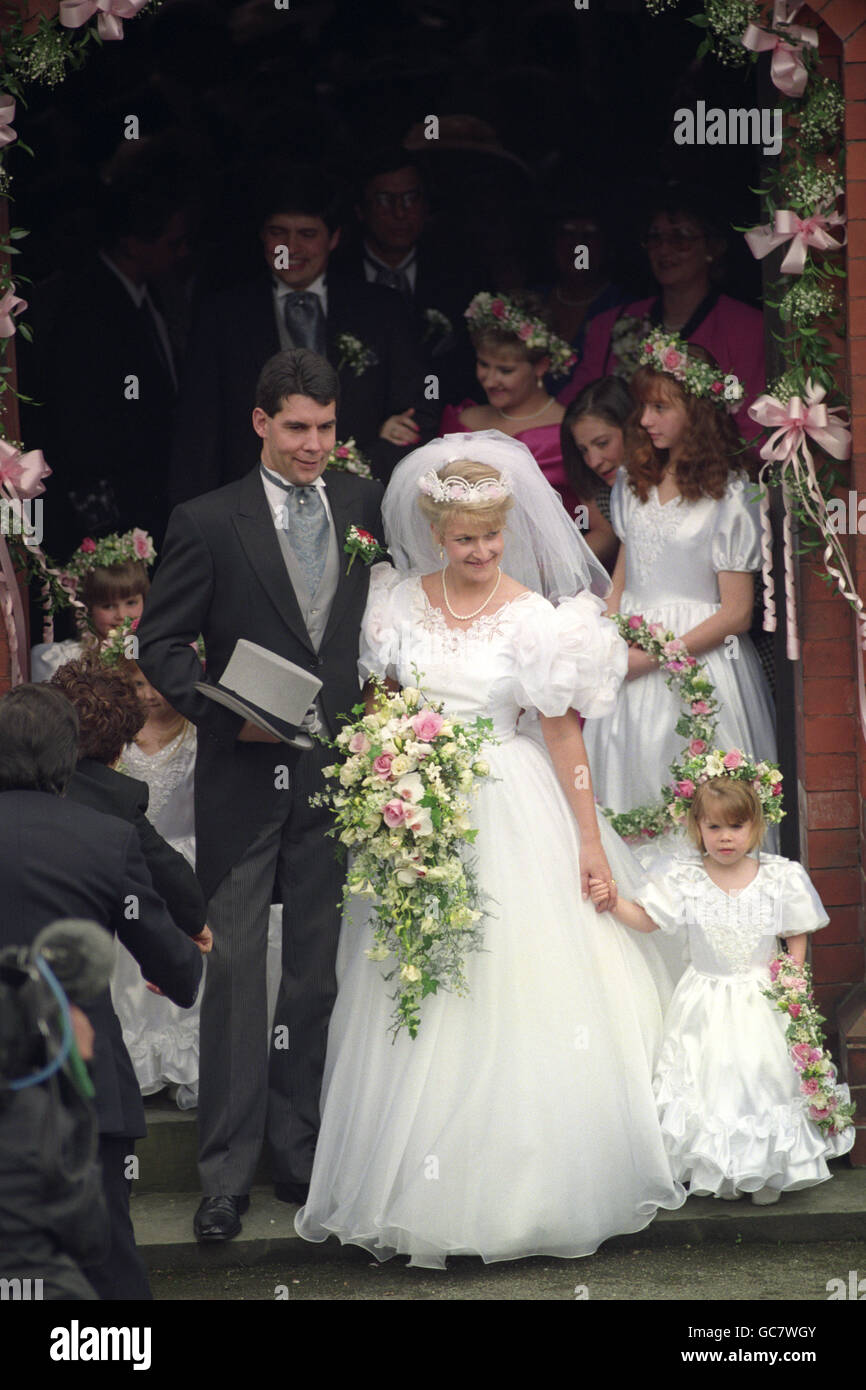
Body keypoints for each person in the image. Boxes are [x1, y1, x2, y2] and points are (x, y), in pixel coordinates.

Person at [295, 433, 686, 1268]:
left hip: (513, 803)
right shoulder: (397, 603)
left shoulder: (540, 621)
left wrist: (590, 842)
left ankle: (525, 1194)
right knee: (422, 986)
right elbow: (379, 708)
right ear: (439, 533)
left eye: (491, 537)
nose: (479, 552)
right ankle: (418, 1192)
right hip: (418, 809)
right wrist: (386, 776)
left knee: (516, 984)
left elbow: (566, 742)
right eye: (465, 539)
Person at [137, 348, 385, 1243]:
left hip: (337, 780)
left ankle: (301, 1154)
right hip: (241, 774)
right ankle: (224, 1176)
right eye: (297, 428)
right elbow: (160, 646)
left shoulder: (363, 504)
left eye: (325, 427)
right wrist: (224, 714)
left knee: (316, 970)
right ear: (259, 422)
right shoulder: (205, 521)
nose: (315, 444)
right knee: (237, 973)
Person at [0, 683, 202, 1300]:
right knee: (106, 1263)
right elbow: (178, 969)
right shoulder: (103, 839)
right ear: (69, 758)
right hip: (85, 1094)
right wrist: (172, 967)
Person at [590, 769, 854, 1202]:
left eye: (736, 826)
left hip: (762, 996)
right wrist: (612, 901)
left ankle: (766, 1170)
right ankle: (718, 1172)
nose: (725, 837)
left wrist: (792, 975)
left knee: (760, 1076)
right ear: (697, 828)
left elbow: (796, 931)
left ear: (755, 827)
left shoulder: (778, 875)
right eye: (714, 827)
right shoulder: (685, 877)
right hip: (706, 998)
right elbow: (648, 919)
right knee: (711, 1078)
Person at [582, 330, 777, 848]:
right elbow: (623, 576)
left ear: (696, 409)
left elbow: (736, 613)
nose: (645, 421)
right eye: (643, 407)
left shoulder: (732, 493)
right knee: (629, 786)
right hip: (628, 657)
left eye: (660, 407)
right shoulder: (632, 481)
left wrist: (654, 658)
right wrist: (604, 636)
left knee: (699, 796)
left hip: (700, 661)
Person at [169, 167, 436, 498]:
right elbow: (198, 434)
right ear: (261, 236)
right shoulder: (222, 316)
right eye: (278, 233)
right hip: (252, 506)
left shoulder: (381, 309)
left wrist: (360, 462)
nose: (290, 249)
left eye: (307, 235)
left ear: (334, 238)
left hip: (360, 501)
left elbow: (420, 411)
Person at [18, 137, 191, 555]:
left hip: (149, 503)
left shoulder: (148, 294)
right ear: (133, 243)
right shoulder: (89, 312)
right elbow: (83, 424)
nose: (183, 254)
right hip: (107, 515)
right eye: (172, 243)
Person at [559, 187, 764, 442]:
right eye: (655, 238)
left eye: (681, 238)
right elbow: (573, 411)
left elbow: (752, 427)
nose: (664, 250)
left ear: (713, 248)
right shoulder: (609, 324)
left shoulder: (747, 327)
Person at [440, 291, 581, 521]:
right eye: (484, 364)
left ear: (541, 366)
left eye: (505, 370)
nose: (490, 380)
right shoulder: (461, 421)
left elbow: (599, 527)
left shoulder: (570, 429)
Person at [30, 529, 155, 683]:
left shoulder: (159, 653)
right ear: (87, 608)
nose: (122, 615)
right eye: (108, 606)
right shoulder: (59, 660)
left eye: (131, 602)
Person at [560, 376, 633, 569]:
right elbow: (605, 534)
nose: (593, 462)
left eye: (602, 443)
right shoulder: (596, 485)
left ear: (632, 428)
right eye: (583, 450)